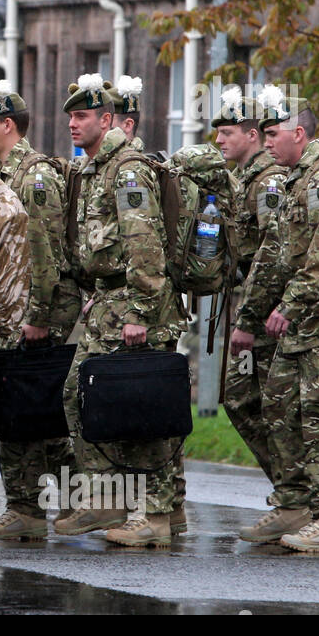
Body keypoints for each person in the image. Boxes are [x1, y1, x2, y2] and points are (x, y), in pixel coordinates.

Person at [231, 87, 319, 553]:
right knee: (277, 406)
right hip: (302, 327)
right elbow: (271, 259)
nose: (266, 142)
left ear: (298, 132)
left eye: (273, 134)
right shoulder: (294, 181)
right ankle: (294, 504)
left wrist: (288, 306)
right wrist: (249, 317)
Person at [59, 74, 187, 547]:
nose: (74, 124)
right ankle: (110, 499)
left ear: (108, 120)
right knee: (80, 396)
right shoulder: (96, 168)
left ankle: (155, 516)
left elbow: (145, 246)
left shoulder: (127, 169)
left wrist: (139, 311)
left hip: (136, 305)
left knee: (144, 409)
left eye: (83, 116)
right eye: (71, 116)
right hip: (108, 301)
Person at [0, 80, 81, 540]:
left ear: (8, 126)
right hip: (10, 312)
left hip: (31, 316)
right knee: (19, 413)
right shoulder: (3, 176)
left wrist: (38, 316)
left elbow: (46, 252)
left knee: (35, 414)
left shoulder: (33, 176)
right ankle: (29, 508)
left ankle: (69, 502)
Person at [211, 87, 287, 505]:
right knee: (241, 400)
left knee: (270, 403)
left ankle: (298, 493)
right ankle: (292, 489)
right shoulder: (241, 179)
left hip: (266, 311)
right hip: (247, 303)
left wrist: (254, 316)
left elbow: (275, 251)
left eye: (226, 132)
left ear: (253, 135)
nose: (219, 140)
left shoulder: (269, 181)